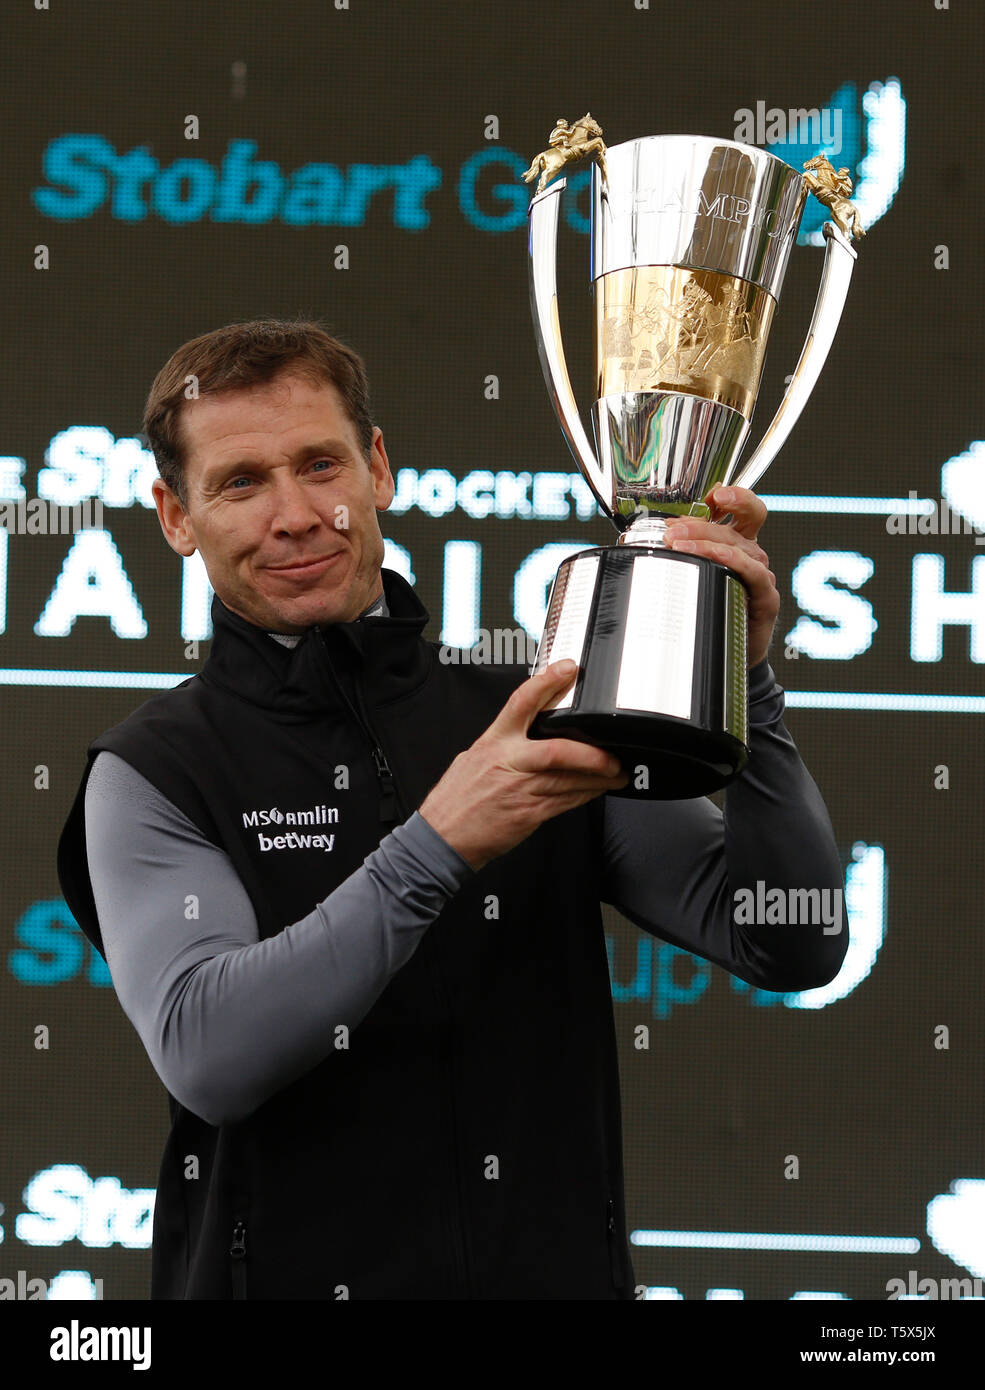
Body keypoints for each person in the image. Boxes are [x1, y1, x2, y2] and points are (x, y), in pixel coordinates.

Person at [57, 318, 848, 1300]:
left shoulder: (530, 700)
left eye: (319, 464)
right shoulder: (153, 768)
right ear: (175, 516)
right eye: (241, 482)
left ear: (377, 468)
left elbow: (792, 939)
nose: (296, 514)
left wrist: (751, 679)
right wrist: (437, 844)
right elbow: (209, 1054)